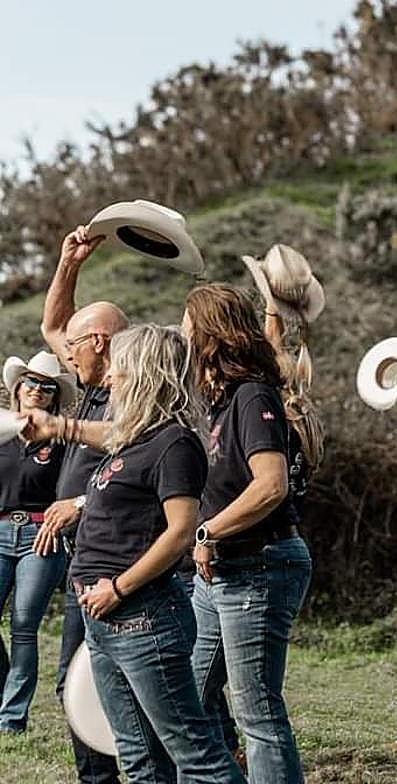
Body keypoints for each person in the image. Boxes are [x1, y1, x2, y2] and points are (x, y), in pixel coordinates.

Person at [25, 325, 245, 782]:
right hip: (103, 620)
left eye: (119, 369)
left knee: (198, 757)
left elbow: (182, 531)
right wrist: (54, 425)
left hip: (139, 618)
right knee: (141, 759)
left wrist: (119, 587)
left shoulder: (175, 443)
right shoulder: (137, 437)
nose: (110, 379)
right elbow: (105, 434)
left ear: (145, 374)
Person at [184, 283, 311, 783]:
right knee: (192, 695)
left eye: (187, 323)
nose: (181, 333)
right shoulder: (213, 401)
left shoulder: (253, 395)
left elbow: (271, 486)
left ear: (210, 333)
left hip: (260, 566)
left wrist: (206, 533)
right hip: (220, 573)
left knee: (257, 710)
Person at [37, 223, 128, 781]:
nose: (64, 356)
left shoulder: (139, 391)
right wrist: (69, 262)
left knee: (122, 685)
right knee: (75, 684)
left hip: (123, 564)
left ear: (98, 341)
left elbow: (147, 480)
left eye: (74, 347)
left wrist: (82, 504)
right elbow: (52, 324)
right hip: (82, 562)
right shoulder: (92, 383)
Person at [0, 351, 71, 734]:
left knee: (24, 626)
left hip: (41, 535)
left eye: (48, 387)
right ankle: (3, 696)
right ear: (18, 386)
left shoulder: (62, 438)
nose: (38, 391)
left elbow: (77, 484)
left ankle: (11, 719)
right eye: (32, 382)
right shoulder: (1, 428)